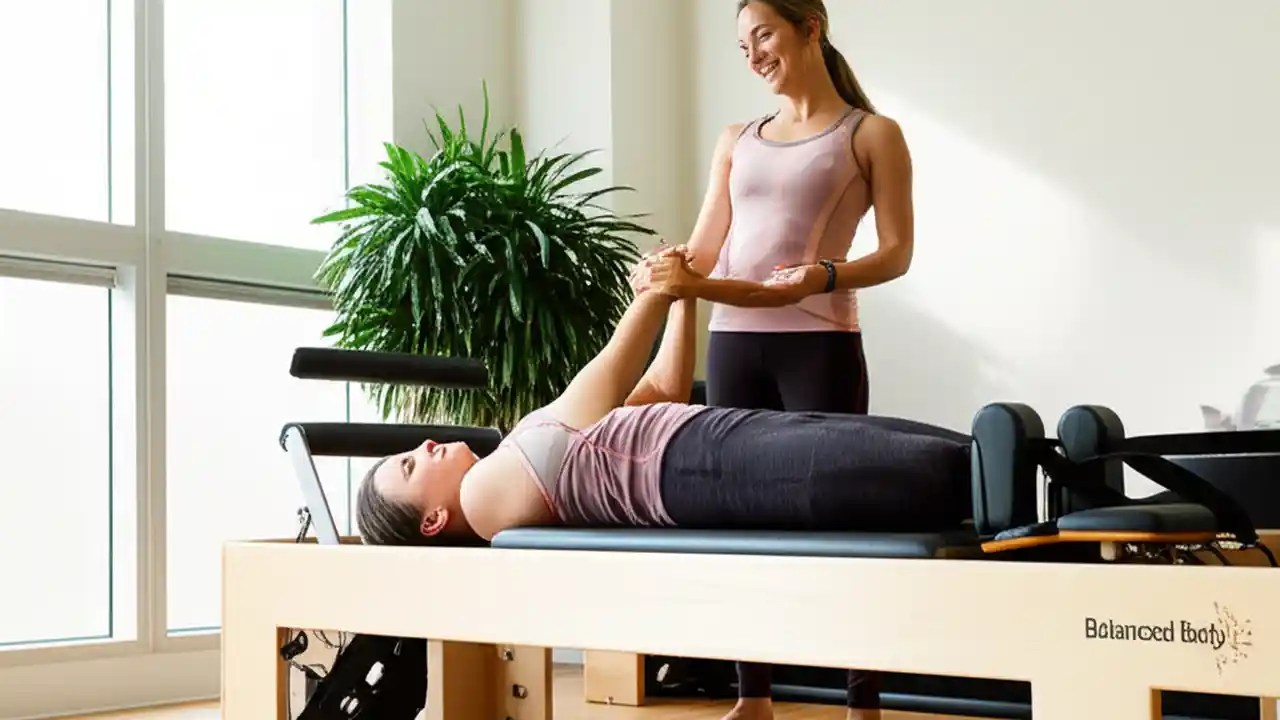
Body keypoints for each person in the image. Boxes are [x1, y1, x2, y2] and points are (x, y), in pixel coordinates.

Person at [354, 256, 971, 720]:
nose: (425, 445)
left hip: (694, 440)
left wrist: (682, 298)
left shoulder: (510, 459)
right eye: (410, 466)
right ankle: (996, 481)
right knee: (895, 466)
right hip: (688, 468)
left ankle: (1003, 465)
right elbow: (603, 381)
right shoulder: (482, 502)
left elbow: (660, 390)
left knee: (892, 444)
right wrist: (655, 289)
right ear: (433, 522)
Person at [640, 0, 917, 716]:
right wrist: (668, 267)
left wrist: (825, 276)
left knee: (844, 521)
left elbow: (896, 254)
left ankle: (862, 700)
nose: (754, 54)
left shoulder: (871, 134)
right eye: (742, 46)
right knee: (738, 520)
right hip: (735, 343)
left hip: (820, 344)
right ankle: (754, 695)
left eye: (763, 35)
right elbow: (707, 252)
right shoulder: (738, 138)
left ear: (810, 27)